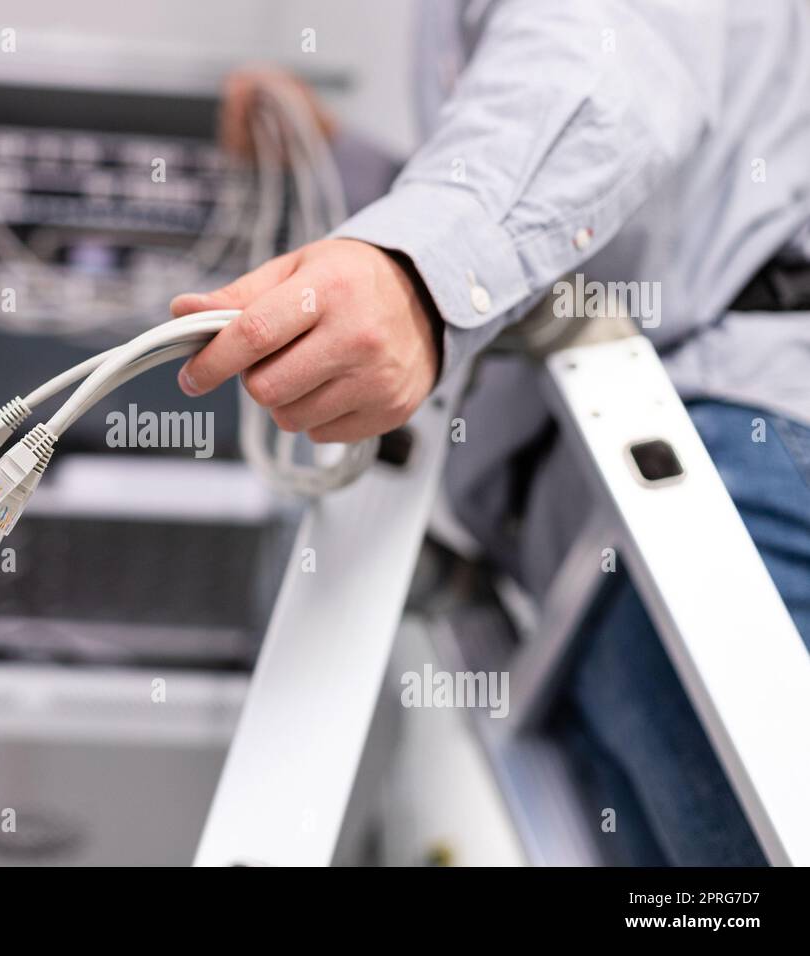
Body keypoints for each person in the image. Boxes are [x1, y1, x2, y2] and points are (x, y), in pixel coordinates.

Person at [172, 0, 810, 865]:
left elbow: (601, 53)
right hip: (615, 537)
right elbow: (576, 186)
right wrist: (349, 171)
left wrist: (414, 270)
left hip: (729, 483)